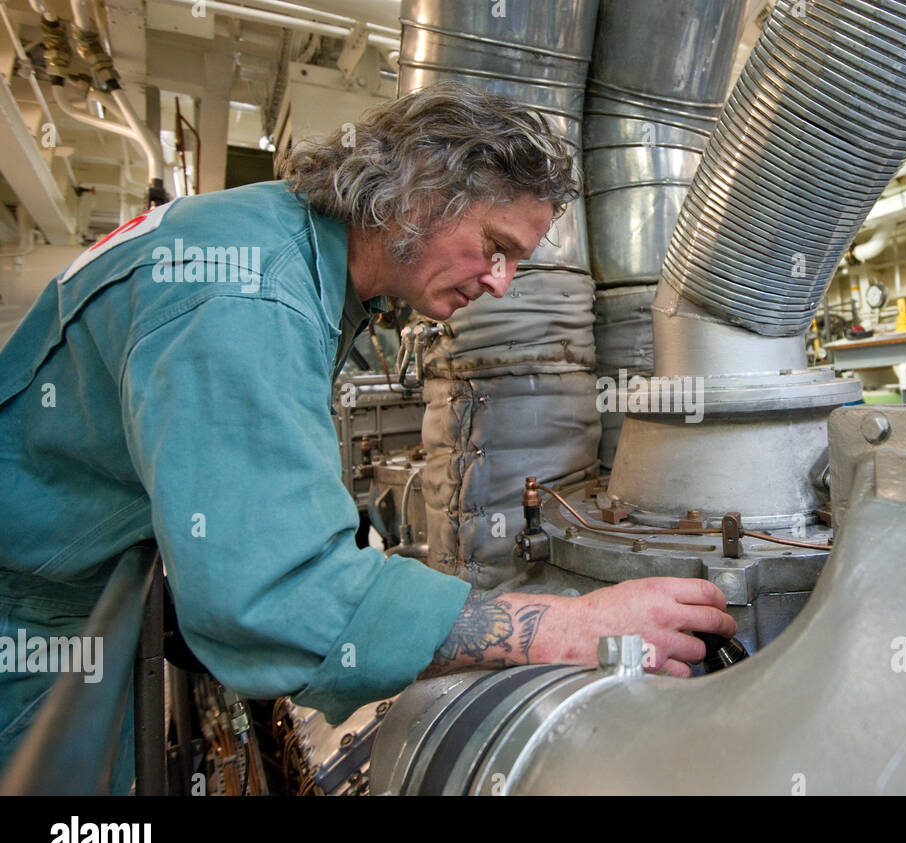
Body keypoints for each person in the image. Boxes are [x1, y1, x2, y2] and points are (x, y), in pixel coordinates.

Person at [0, 83, 735, 786]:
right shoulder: (243, 292)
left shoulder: (272, 246)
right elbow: (276, 595)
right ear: (417, 196)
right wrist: (567, 626)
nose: (503, 283)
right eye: (494, 244)